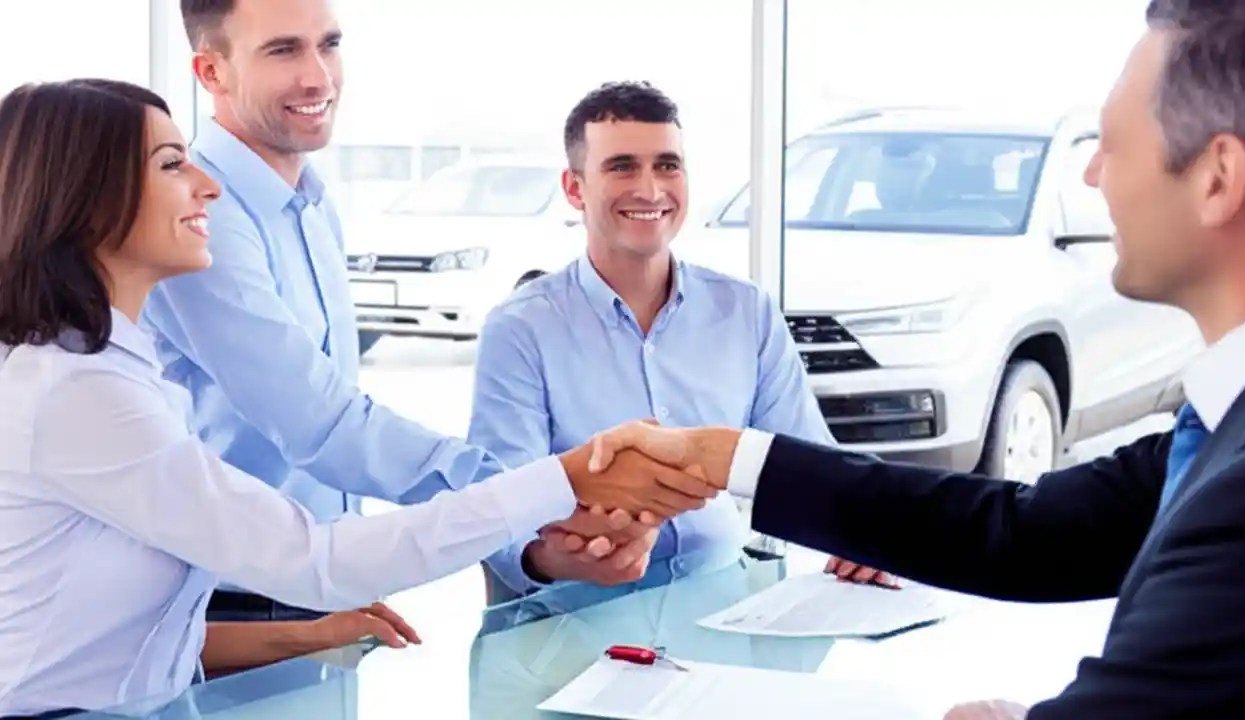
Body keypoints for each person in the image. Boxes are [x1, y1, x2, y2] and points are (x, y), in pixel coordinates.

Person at [586, 2, 1245, 716]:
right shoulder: (1241, 426)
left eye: (1112, 145)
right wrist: (722, 457)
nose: (1095, 176)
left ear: (1217, 177)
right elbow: (1021, 530)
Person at [0, 80, 713, 718]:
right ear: (87, 200)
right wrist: (565, 478)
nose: (207, 186)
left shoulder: (112, 375)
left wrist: (300, 636)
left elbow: (98, 639)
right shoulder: (79, 395)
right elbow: (320, 555)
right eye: (170, 165)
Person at [141, 0, 675, 622]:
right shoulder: (202, 220)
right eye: (283, 50)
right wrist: (545, 489)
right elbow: (321, 421)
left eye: (329, 44)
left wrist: (540, 499)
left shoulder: (310, 204)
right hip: (232, 603)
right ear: (211, 73)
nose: (319, 76)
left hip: (323, 587)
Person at [468, 81, 887, 599]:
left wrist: (859, 535)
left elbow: (807, 461)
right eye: (622, 166)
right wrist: (553, 559)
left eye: (667, 165)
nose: (650, 189)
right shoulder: (521, 328)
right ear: (575, 188)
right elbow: (496, 506)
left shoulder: (745, 311)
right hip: (573, 617)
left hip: (722, 602)